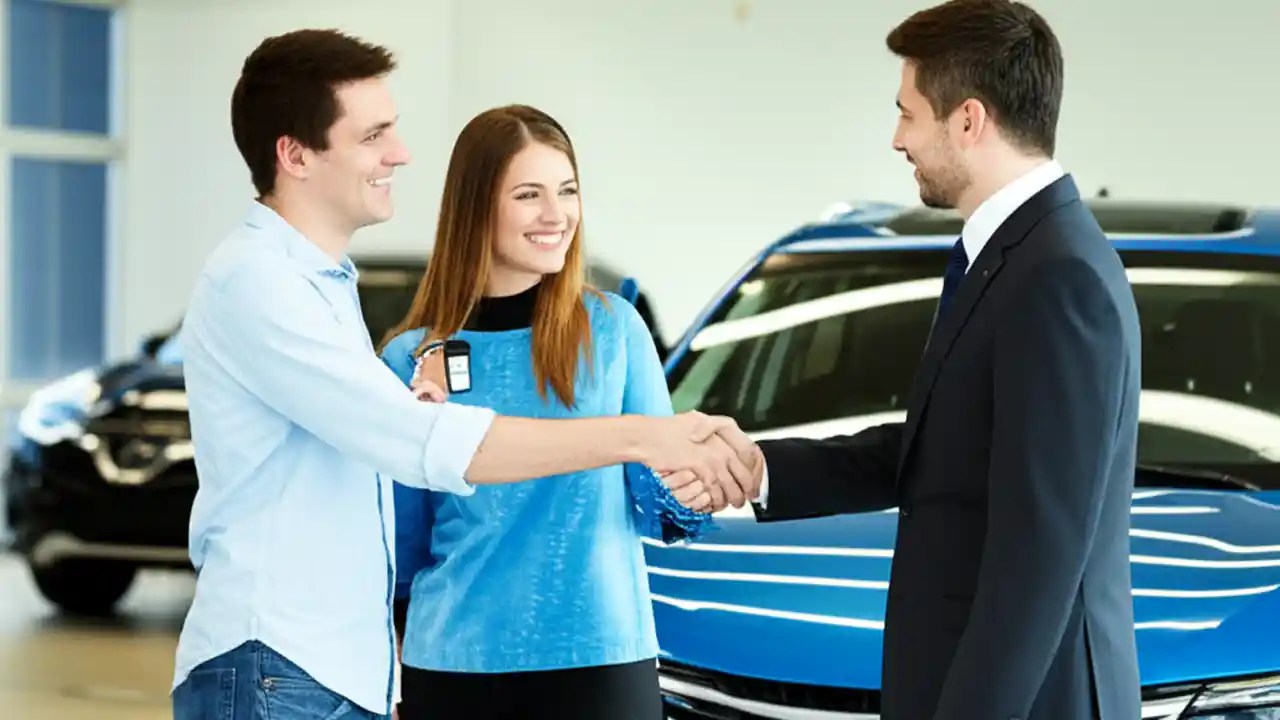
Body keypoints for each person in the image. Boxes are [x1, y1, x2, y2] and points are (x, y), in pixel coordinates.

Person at [171, 30, 756, 720]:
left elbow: (659, 508)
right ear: (294, 154)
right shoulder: (270, 288)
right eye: (373, 136)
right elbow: (423, 465)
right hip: (332, 660)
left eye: (566, 191)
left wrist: (688, 473)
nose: (400, 153)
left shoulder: (326, 286)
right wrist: (640, 436)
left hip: (398, 664)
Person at [748, 1, 1141, 718]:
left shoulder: (1057, 276)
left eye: (907, 112)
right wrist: (761, 467)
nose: (897, 139)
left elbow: (1037, 556)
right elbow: (945, 454)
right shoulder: (1010, 256)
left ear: (968, 119)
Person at [380, 104, 713, 720]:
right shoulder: (409, 358)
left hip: (599, 659)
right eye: (529, 194)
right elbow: (400, 542)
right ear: (476, 207)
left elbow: (665, 503)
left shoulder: (614, 332)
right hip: (455, 661)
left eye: (567, 191)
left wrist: (701, 474)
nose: (556, 215)